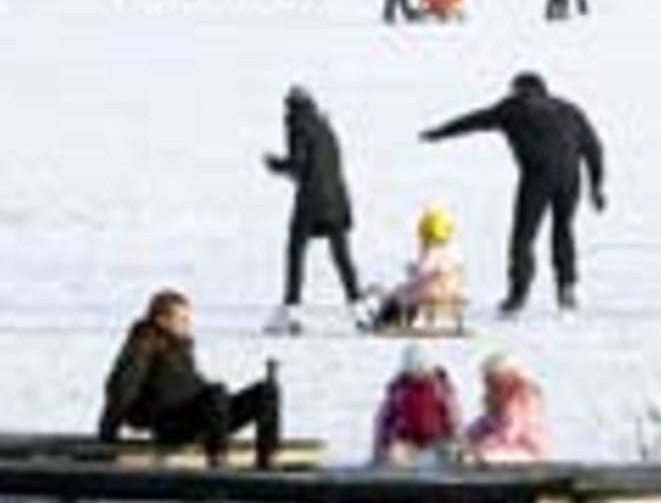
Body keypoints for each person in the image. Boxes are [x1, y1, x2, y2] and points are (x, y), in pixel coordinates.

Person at [421, 72, 605, 315]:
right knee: (562, 232)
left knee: (523, 237)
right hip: (569, 179)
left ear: (520, 90)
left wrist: (439, 133)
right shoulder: (569, 109)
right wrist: (596, 186)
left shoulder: (514, 108)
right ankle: (566, 287)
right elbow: (593, 148)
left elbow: (474, 120)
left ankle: (519, 294)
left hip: (538, 179)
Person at [98, 289, 280, 469]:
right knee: (216, 392)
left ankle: (268, 457)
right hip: (172, 426)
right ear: (162, 320)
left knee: (266, 392)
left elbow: (191, 385)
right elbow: (122, 390)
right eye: (182, 319)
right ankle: (218, 461)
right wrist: (108, 436)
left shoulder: (180, 347)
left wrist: (218, 401)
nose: (188, 324)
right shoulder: (143, 346)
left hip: (201, 418)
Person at [263, 86, 361, 335]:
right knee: (341, 255)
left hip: (311, 201)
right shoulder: (325, 125)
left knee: (296, 251)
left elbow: (298, 164)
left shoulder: (298, 126)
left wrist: (276, 165)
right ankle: (359, 306)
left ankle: (291, 310)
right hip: (337, 198)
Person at [364, 206, 466, 330]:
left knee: (397, 296)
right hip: (451, 293)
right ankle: (401, 319)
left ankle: (382, 321)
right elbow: (456, 270)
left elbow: (423, 271)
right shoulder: (453, 254)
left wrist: (412, 269)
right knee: (407, 293)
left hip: (428, 293)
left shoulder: (432, 252)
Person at [371, 343, 462, 467]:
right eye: (414, 370)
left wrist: (456, 437)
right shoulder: (399, 390)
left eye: (421, 369)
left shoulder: (439, 388)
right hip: (408, 442)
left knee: (451, 452)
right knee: (395, 454)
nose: (418, 374)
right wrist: (380, 444)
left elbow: (453, 415)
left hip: (437, 441)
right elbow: (384, 419)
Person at [464, 352, 547, 464]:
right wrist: (469, 437)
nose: (489, 387)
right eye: (488, 382)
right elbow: (483, 423)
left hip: (523, 453)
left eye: (494, 382)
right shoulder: (492, 400)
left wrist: (488, 444)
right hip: (497, 448)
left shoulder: (523, 401)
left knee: (487, 457)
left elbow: (511, 433)